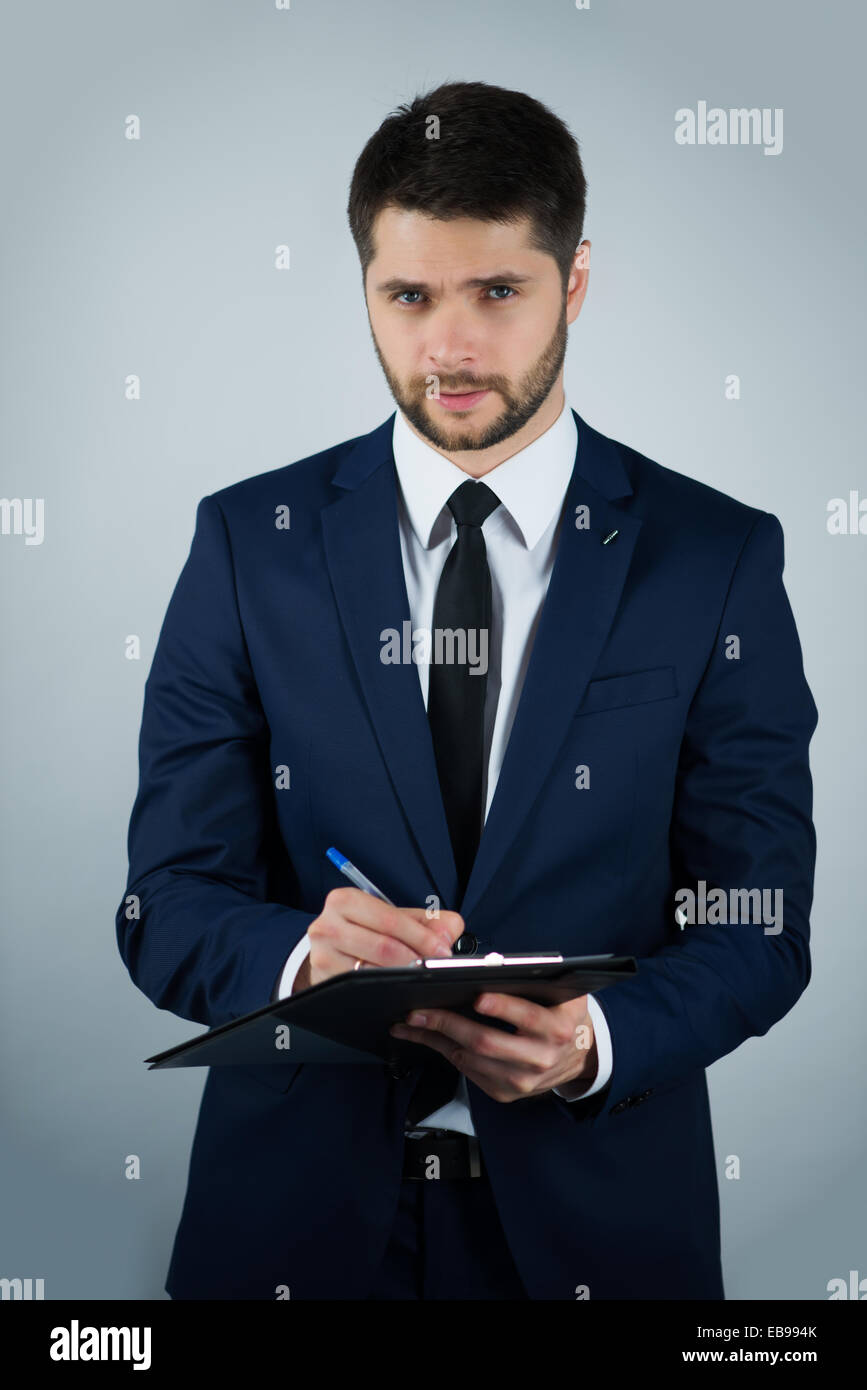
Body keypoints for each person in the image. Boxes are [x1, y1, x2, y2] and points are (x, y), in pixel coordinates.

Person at [116, 80, 817, 1300]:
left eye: (497, 292)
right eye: (409, 296)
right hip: (291, 1228)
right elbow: (164, 900)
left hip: (600, 1232)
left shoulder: (717, 557)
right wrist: (300, 959)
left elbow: (759, 920)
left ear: (575, 282)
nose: (449, 347)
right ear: (366, 291)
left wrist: (595, 1040)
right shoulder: (246, 544)